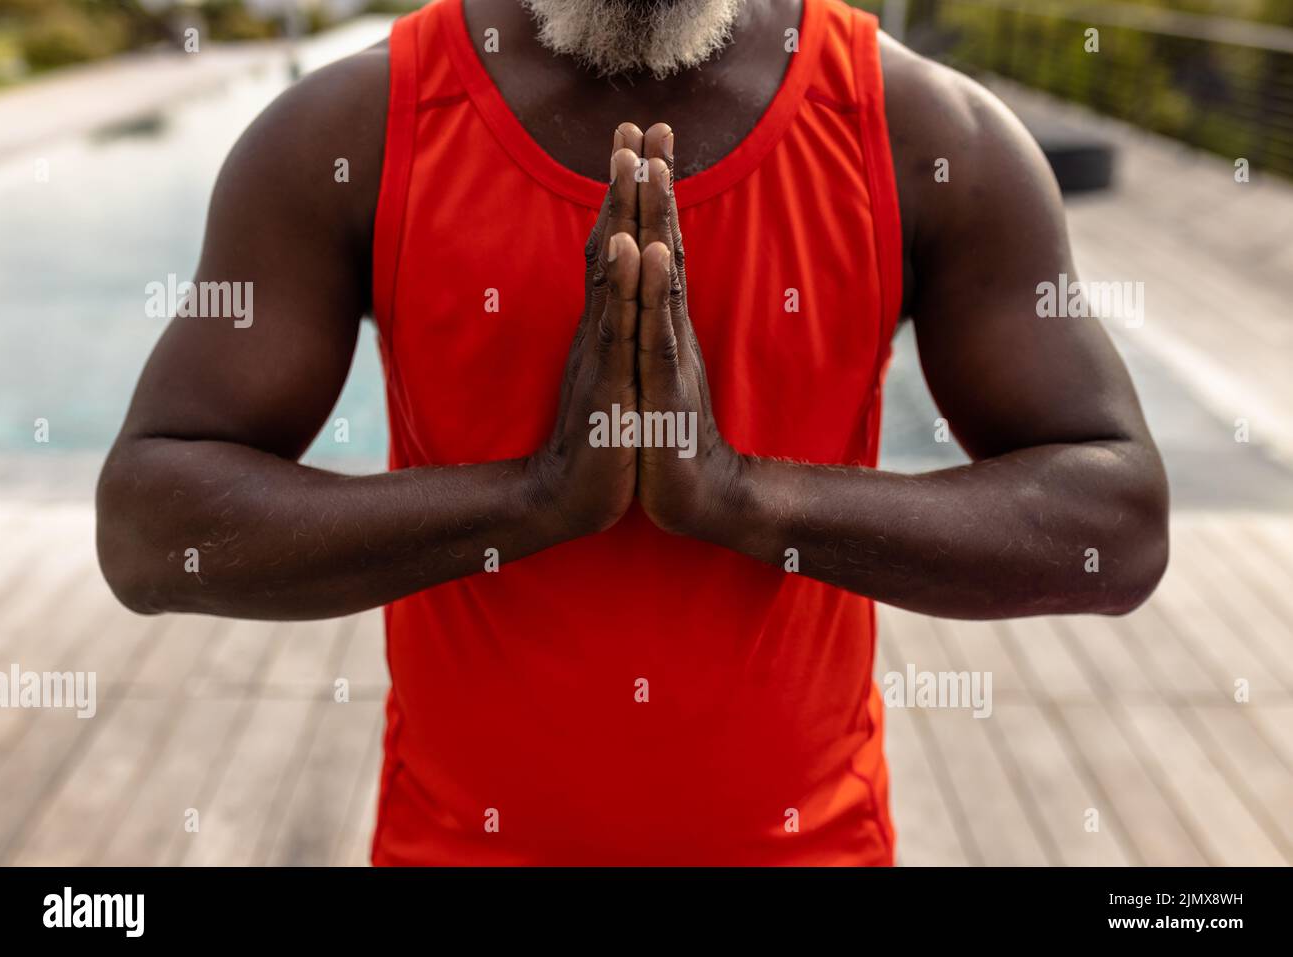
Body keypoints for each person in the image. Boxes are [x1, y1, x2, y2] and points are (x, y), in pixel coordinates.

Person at [96, 0, 1169, 865]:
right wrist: (536, 499)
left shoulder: (925, 133)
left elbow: (1114, 521)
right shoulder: (355, 129)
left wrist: (736, 496)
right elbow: (151, 526)